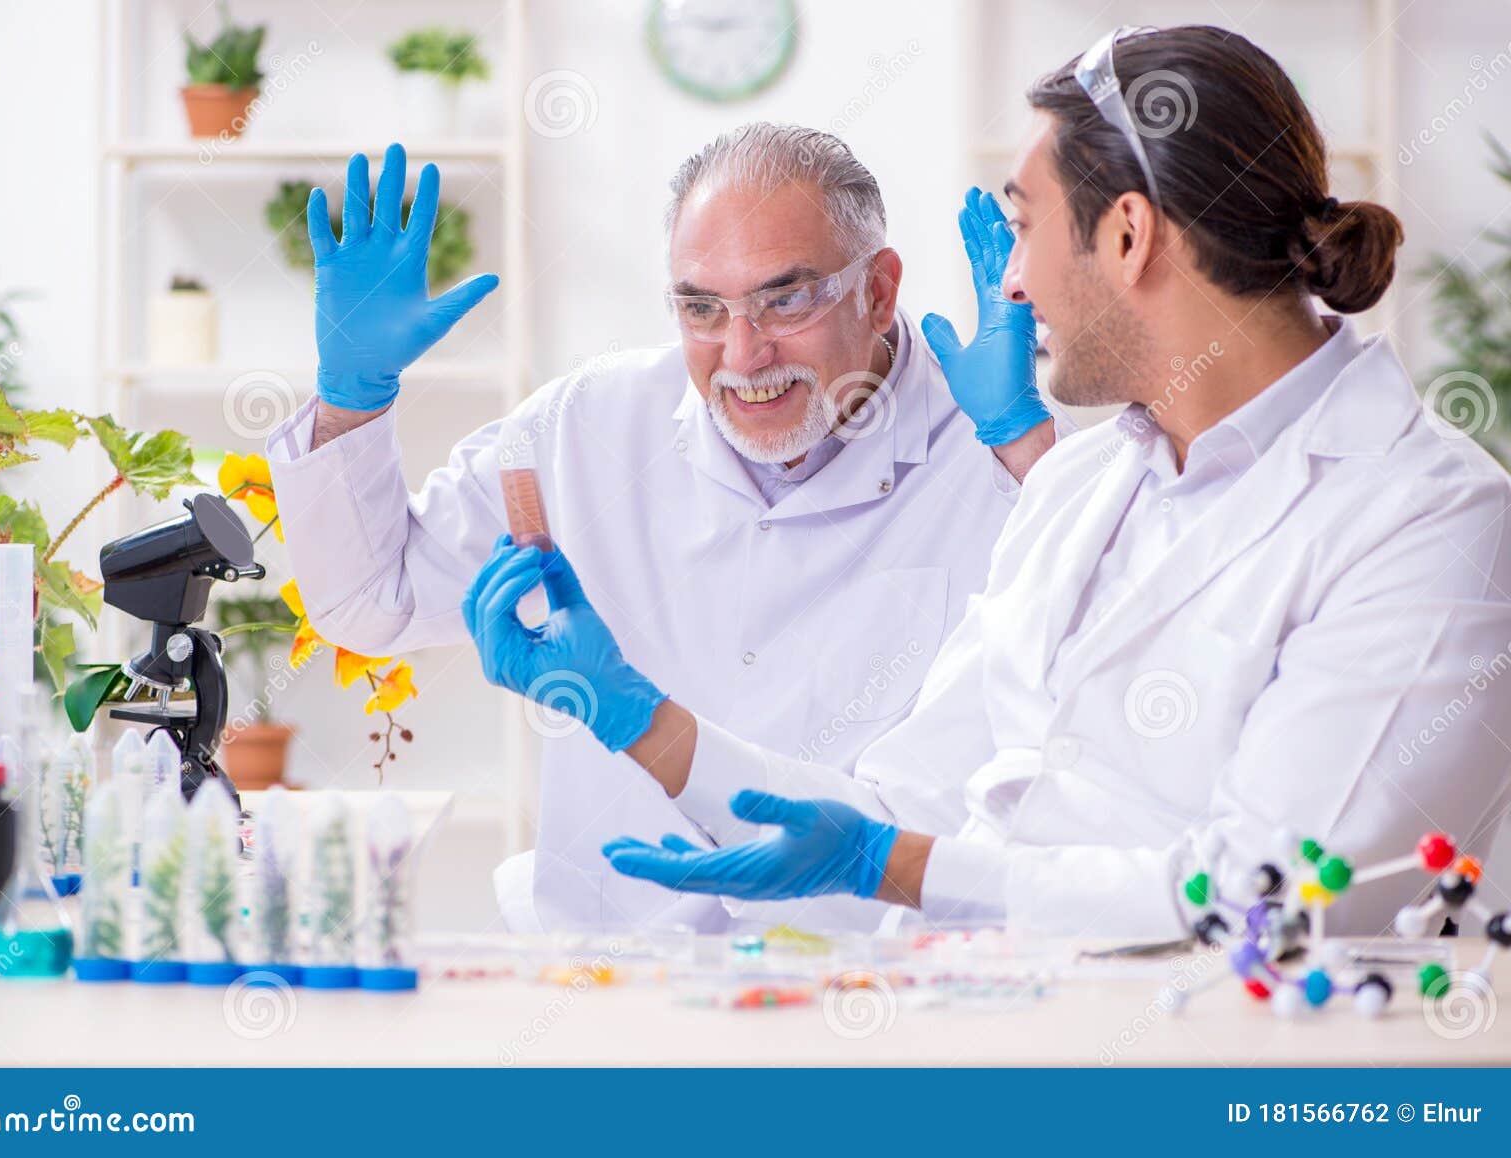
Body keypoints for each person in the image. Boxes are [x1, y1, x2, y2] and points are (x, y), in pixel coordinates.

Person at [466, 26, 1511, 936]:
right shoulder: (1084, 488)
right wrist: (645, 724)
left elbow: (1276, 897)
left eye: (1021, 224)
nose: (1008, 282)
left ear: (1129, 235)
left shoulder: (1427, 518)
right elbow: (902, 813)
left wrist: (899, 869)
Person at [266, 124, 1060, 933]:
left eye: (784, 299)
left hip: (858, 994)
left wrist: (1033, 457)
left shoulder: (1007, 467)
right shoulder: (587, 427)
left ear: (880, 292)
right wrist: (352, 397)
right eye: (702, 308)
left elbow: (1036, 761)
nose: (744, 355)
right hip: (607, 978)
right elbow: (369, 601)